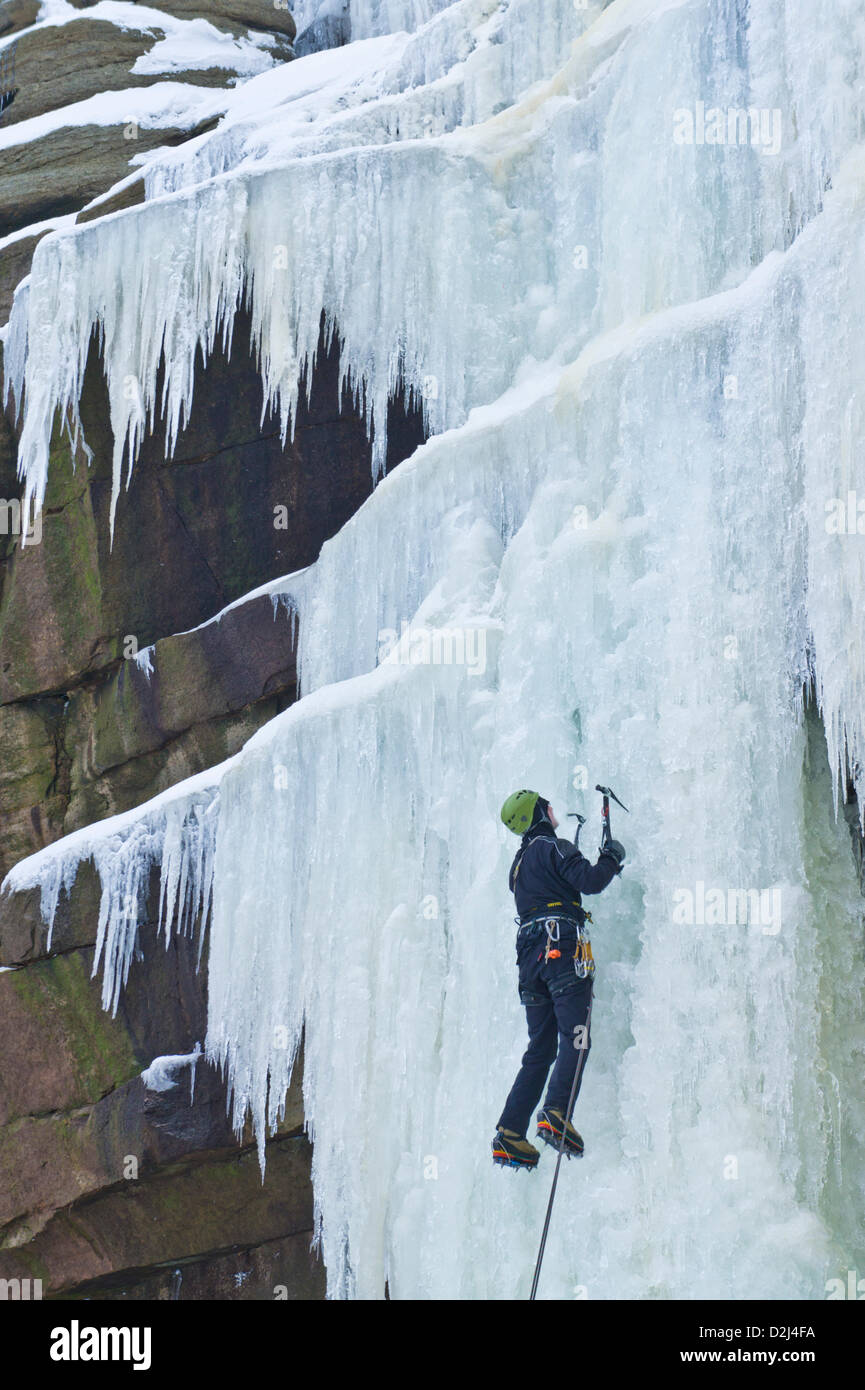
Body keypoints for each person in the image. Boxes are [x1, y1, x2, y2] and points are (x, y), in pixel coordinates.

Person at [492, 789, 625, 1169]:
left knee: (541, 1049)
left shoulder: (518, 866)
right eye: (545, 805)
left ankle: (510, 1133)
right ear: (538, 813)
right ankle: (556, 1112)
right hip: (560, 950)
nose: (552, 810)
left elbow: (558, 886)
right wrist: (612, 857)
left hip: (530, 963)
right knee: (576, 1038)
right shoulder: (553, 847)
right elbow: (591, 880)